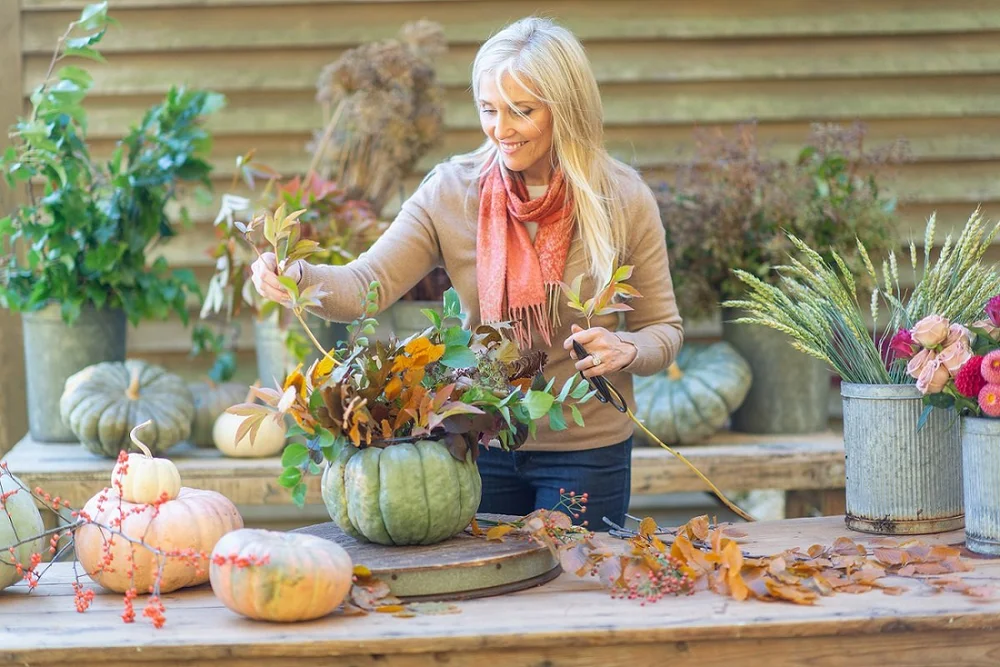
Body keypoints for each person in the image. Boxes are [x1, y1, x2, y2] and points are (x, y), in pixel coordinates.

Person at [251, 16, 683, 530]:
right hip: (477, 442)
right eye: (488, 109)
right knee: (485, 577)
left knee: (570, 578)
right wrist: (298, 277)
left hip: (587, 451)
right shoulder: (450, 192)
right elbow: (367, 285)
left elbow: (664, 330)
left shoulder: (623, 199)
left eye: (521, 111)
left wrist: (626, 349)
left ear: (566, 108)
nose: (500, 129)